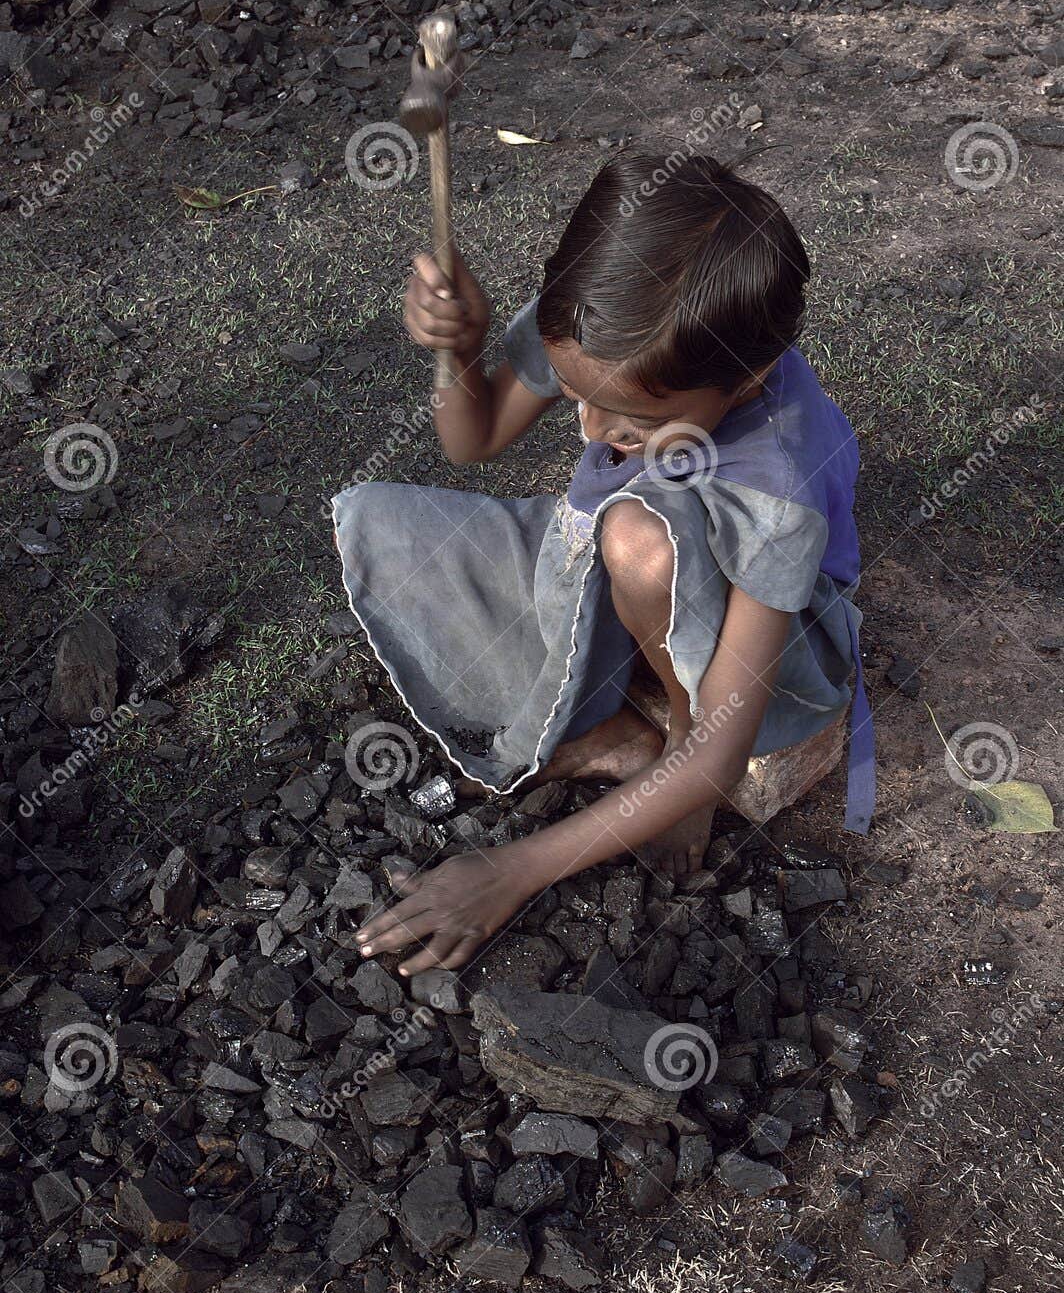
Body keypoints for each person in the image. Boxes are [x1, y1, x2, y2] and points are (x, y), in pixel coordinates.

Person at [332, 153, 873, 978]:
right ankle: (621, 735)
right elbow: (470, 441)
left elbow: (728, 751)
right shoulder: (606, 326)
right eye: (581, 394)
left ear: (750, 378)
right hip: (608, 551)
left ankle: (669, 738)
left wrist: (509, 872)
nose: (590, 429)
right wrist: (460, 350)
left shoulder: (777, 491)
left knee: (637, 541)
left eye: (634, 417)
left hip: (779, 643)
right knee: (386, 520)